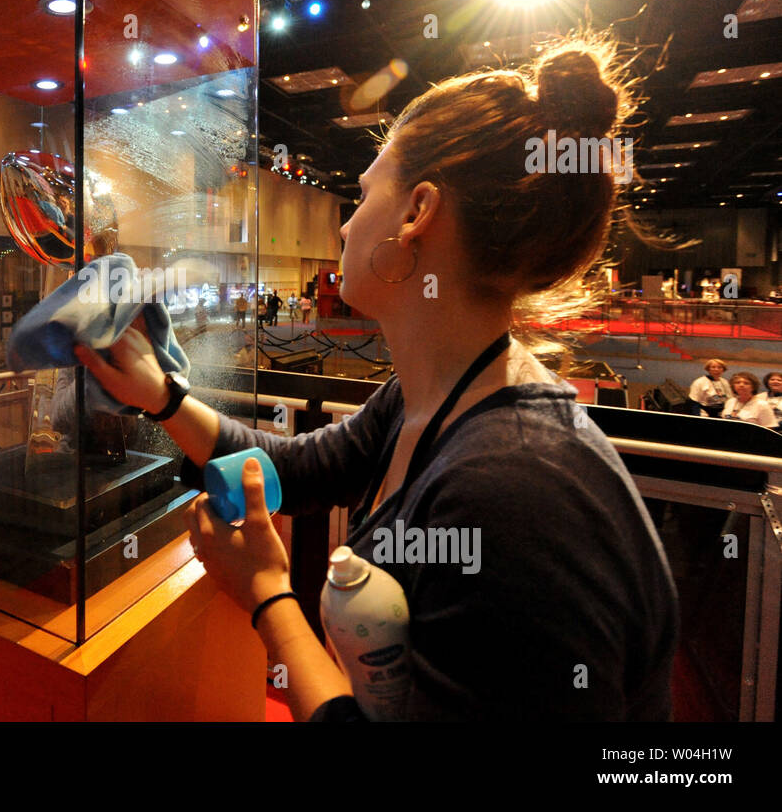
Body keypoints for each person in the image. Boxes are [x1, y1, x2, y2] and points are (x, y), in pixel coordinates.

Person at [75, 36, 678, 720]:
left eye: (361, 195)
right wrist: (160, 392)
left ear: (418, 213)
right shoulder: (434, 395)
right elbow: (294, 469)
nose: (344, 223)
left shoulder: (514, 494)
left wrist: (269, 594)